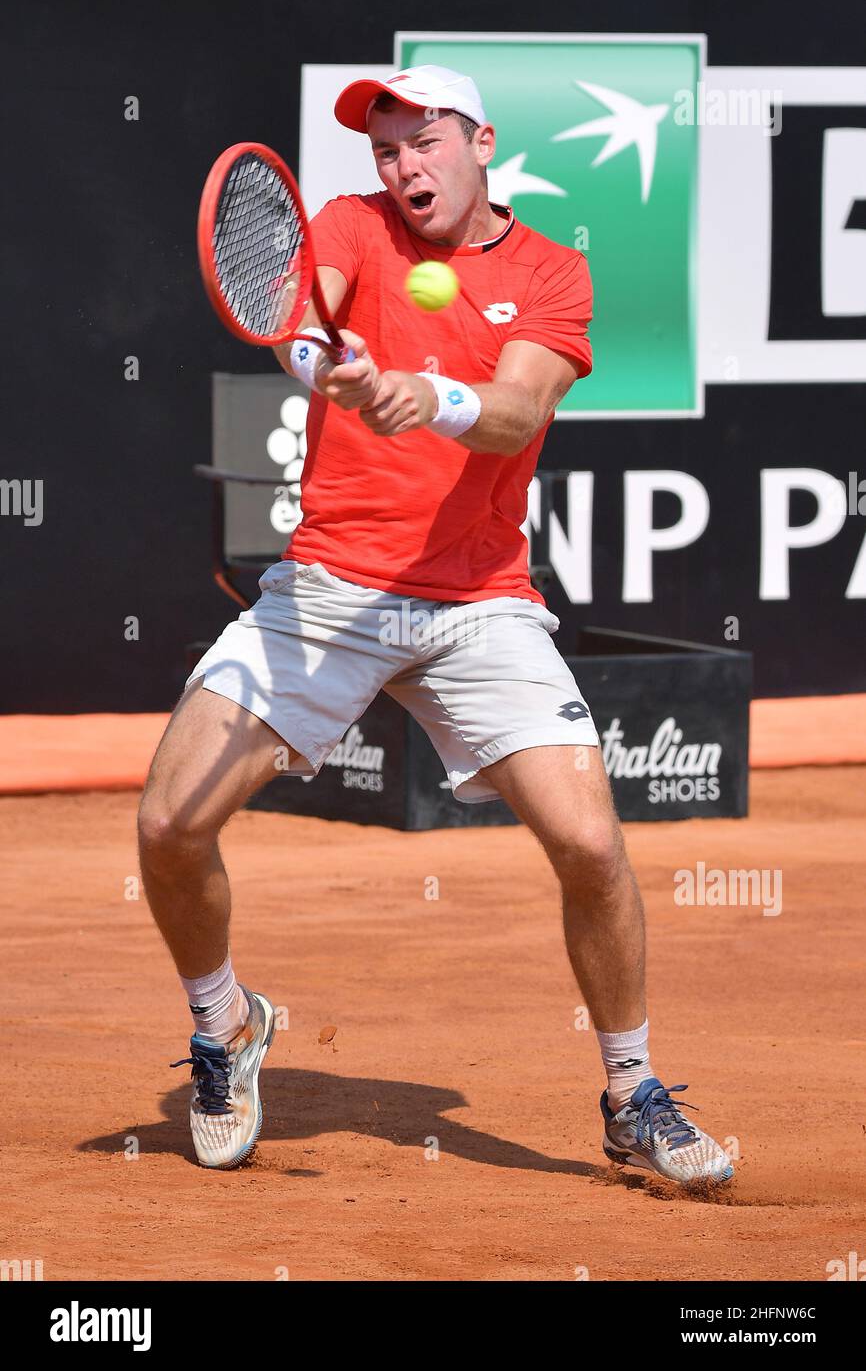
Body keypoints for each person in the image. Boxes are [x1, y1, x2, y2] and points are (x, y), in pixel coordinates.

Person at [139, 65, 732, 1184]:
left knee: (591, 844)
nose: (402, 167)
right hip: (330, 589)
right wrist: (333, 368)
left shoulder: (552, 271)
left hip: (479, 603)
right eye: (385, 148)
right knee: (169, 825)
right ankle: (224, 1025)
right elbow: (290, 325)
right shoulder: (351, 226)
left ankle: (630, 1088)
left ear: (480, 140)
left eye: (423, 142)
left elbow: (513, 414)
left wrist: (430, 395)